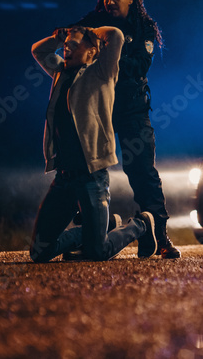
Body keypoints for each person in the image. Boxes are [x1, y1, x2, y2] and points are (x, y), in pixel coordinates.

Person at [72, 0, 180, 259]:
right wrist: (66, 35)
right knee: (89, 172)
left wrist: (106, 56)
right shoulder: (94, 22)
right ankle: (94, 232)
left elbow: (139, 66)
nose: (109, 2)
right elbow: (71, 40)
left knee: (142, 173)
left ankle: (158, 237)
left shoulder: (144, 27)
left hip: (132, 109)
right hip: (98, 111)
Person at [28, 24, 157, 262]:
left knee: (97, 253)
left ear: (91, 52)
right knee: (39, 253)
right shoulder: (60, 72)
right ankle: (101, 228)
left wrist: (89, 30)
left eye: (74, 46)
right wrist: (60, 37)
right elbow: (38, 51)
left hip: (91, 176)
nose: (67, 50)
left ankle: (140, 225)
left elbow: (116, 35)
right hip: (64, 178)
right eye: (66, 47)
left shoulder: (102, 73)